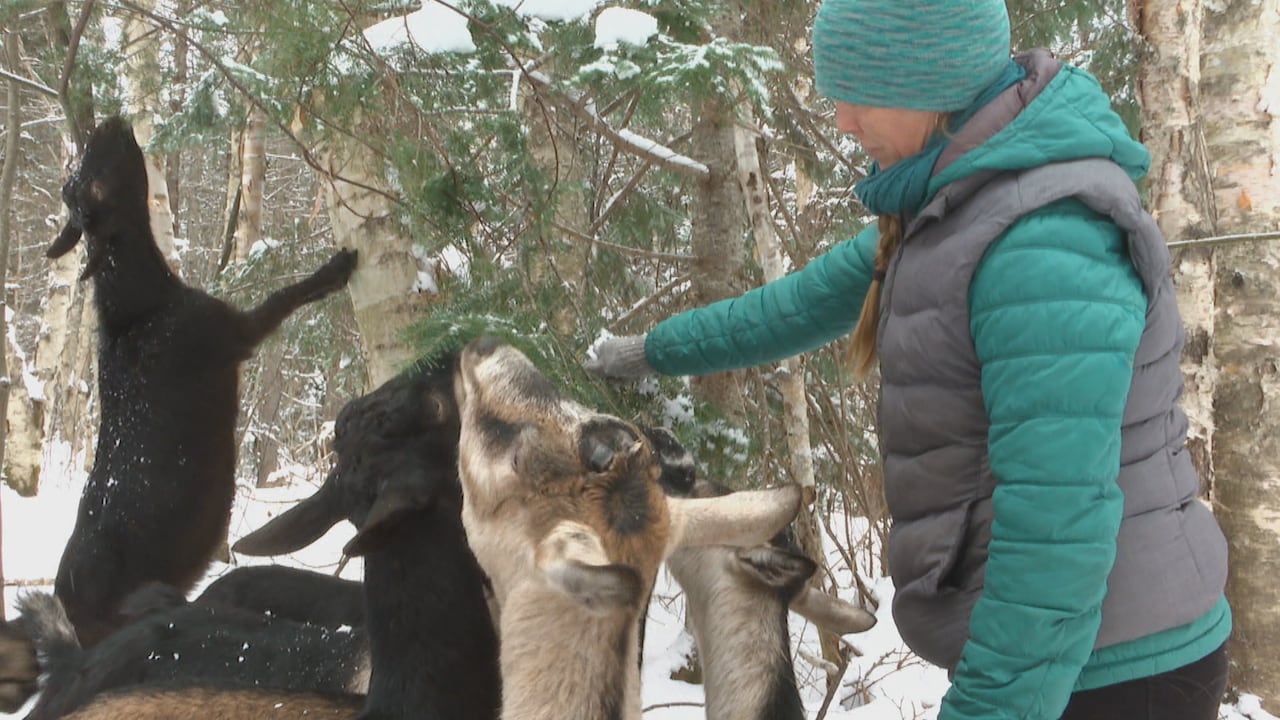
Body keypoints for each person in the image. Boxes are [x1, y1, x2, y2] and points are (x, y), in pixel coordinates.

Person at [585, 1, 1232, 718]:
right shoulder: (961, 207)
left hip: (1114, 671)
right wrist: (646, 352)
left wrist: (987, 709)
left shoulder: (1043, 244)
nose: (842, 120)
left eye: (858, 95)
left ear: (927, 83)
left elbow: (1056, 530)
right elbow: (793, 308)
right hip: (1059, 660)